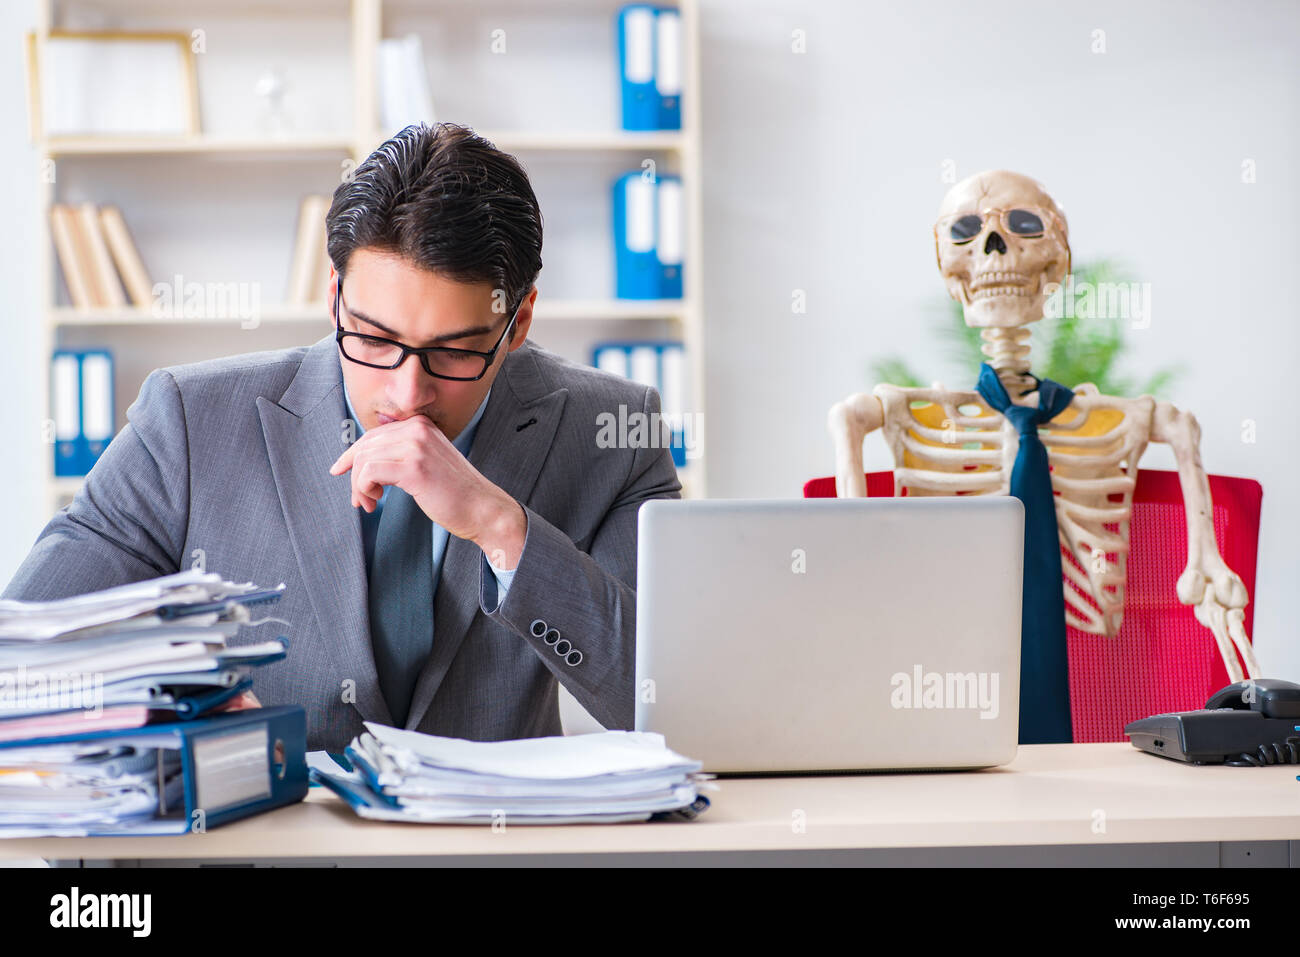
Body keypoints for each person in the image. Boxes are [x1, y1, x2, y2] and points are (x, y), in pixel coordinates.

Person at [2, 122, 681, 751]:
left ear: (519, 321)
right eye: (376, 338)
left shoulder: (611, 433)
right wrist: (170, 700)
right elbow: (22, 664)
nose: (407, 391)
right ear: (334, 297)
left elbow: (673, 702)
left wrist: (500, 526)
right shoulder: (188, 422)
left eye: (453, 351)